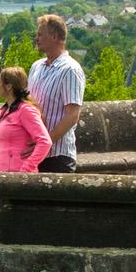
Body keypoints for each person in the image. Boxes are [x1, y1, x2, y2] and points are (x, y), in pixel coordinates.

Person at [28, 12, 86, 171]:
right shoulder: (36, 67)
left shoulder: (70, 69)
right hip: (33, 155)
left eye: (40, 34)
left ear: (54, 37)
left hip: (57, 156)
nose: (36, 38)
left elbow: (72, 115)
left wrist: (45, 142)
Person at [0, 65, 51, 172]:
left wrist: (27, 168)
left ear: (9, 86)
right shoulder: (3, 111)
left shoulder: (25, 110)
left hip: (19, 177)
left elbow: (45, 142)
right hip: (1, 176)